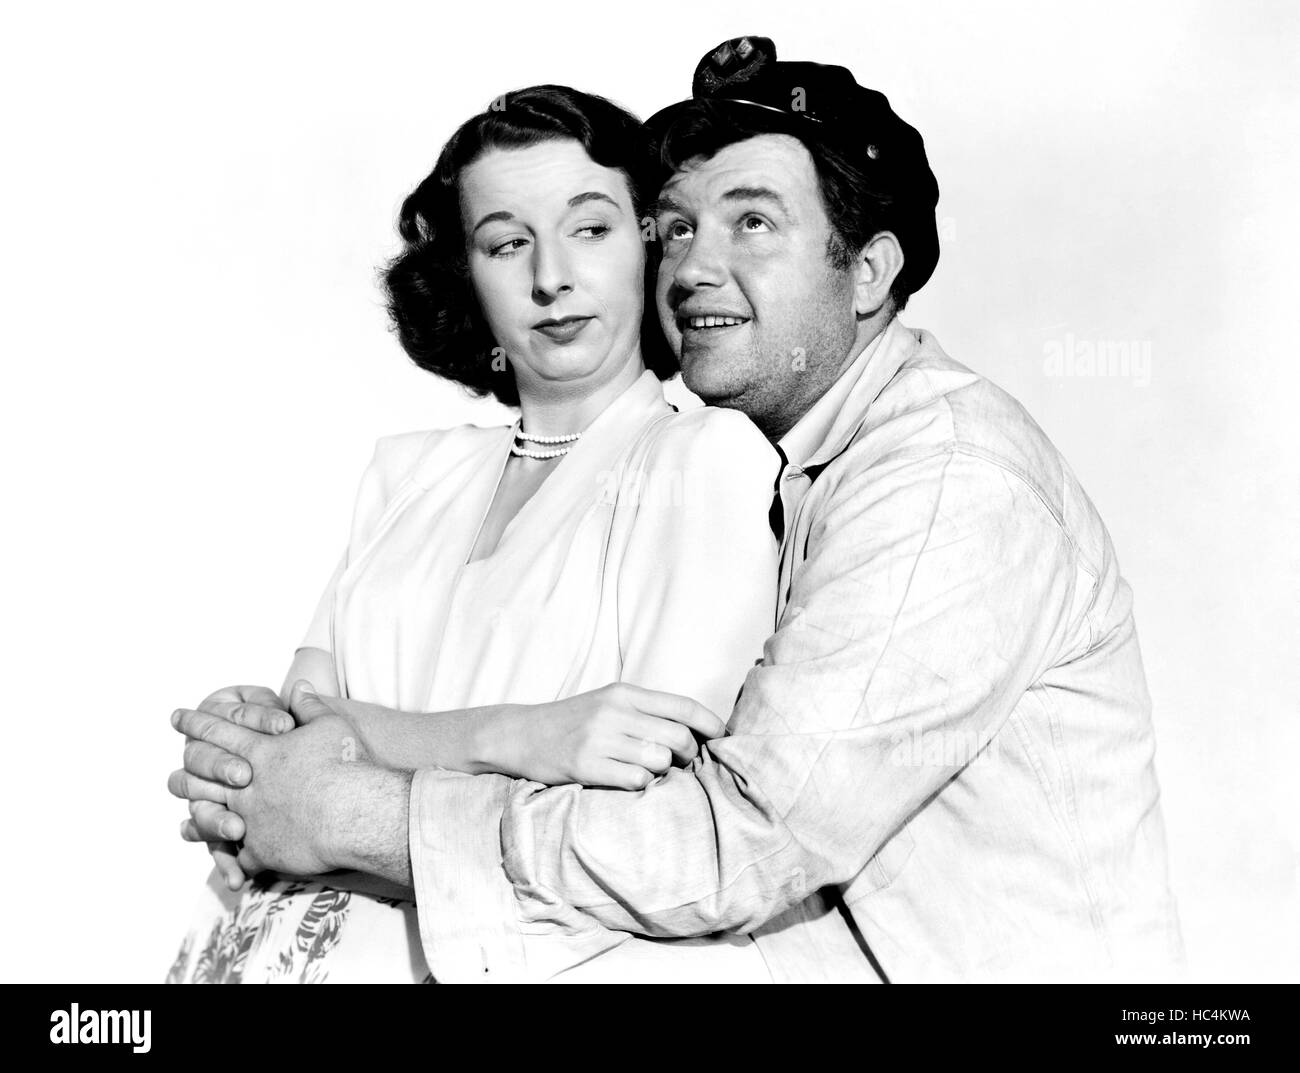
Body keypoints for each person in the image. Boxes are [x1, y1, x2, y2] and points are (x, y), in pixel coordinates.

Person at [174, 37, 1185, 983]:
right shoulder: (816, 461)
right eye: (679, 227)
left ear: (869, 270)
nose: (695, 266)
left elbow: (736, 842)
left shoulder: (941, 479)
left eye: (753, 221)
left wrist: (368, 812)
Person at [167, 83, 785, 983]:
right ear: (468, 276)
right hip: (274, 951)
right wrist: (524, 735)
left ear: (653, 247)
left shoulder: (707, 460)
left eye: (591, 229)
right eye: (506, 242)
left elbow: (652, 807)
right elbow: (294, 748)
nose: (549, 277)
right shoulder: (406, 472)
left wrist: (350, 744)